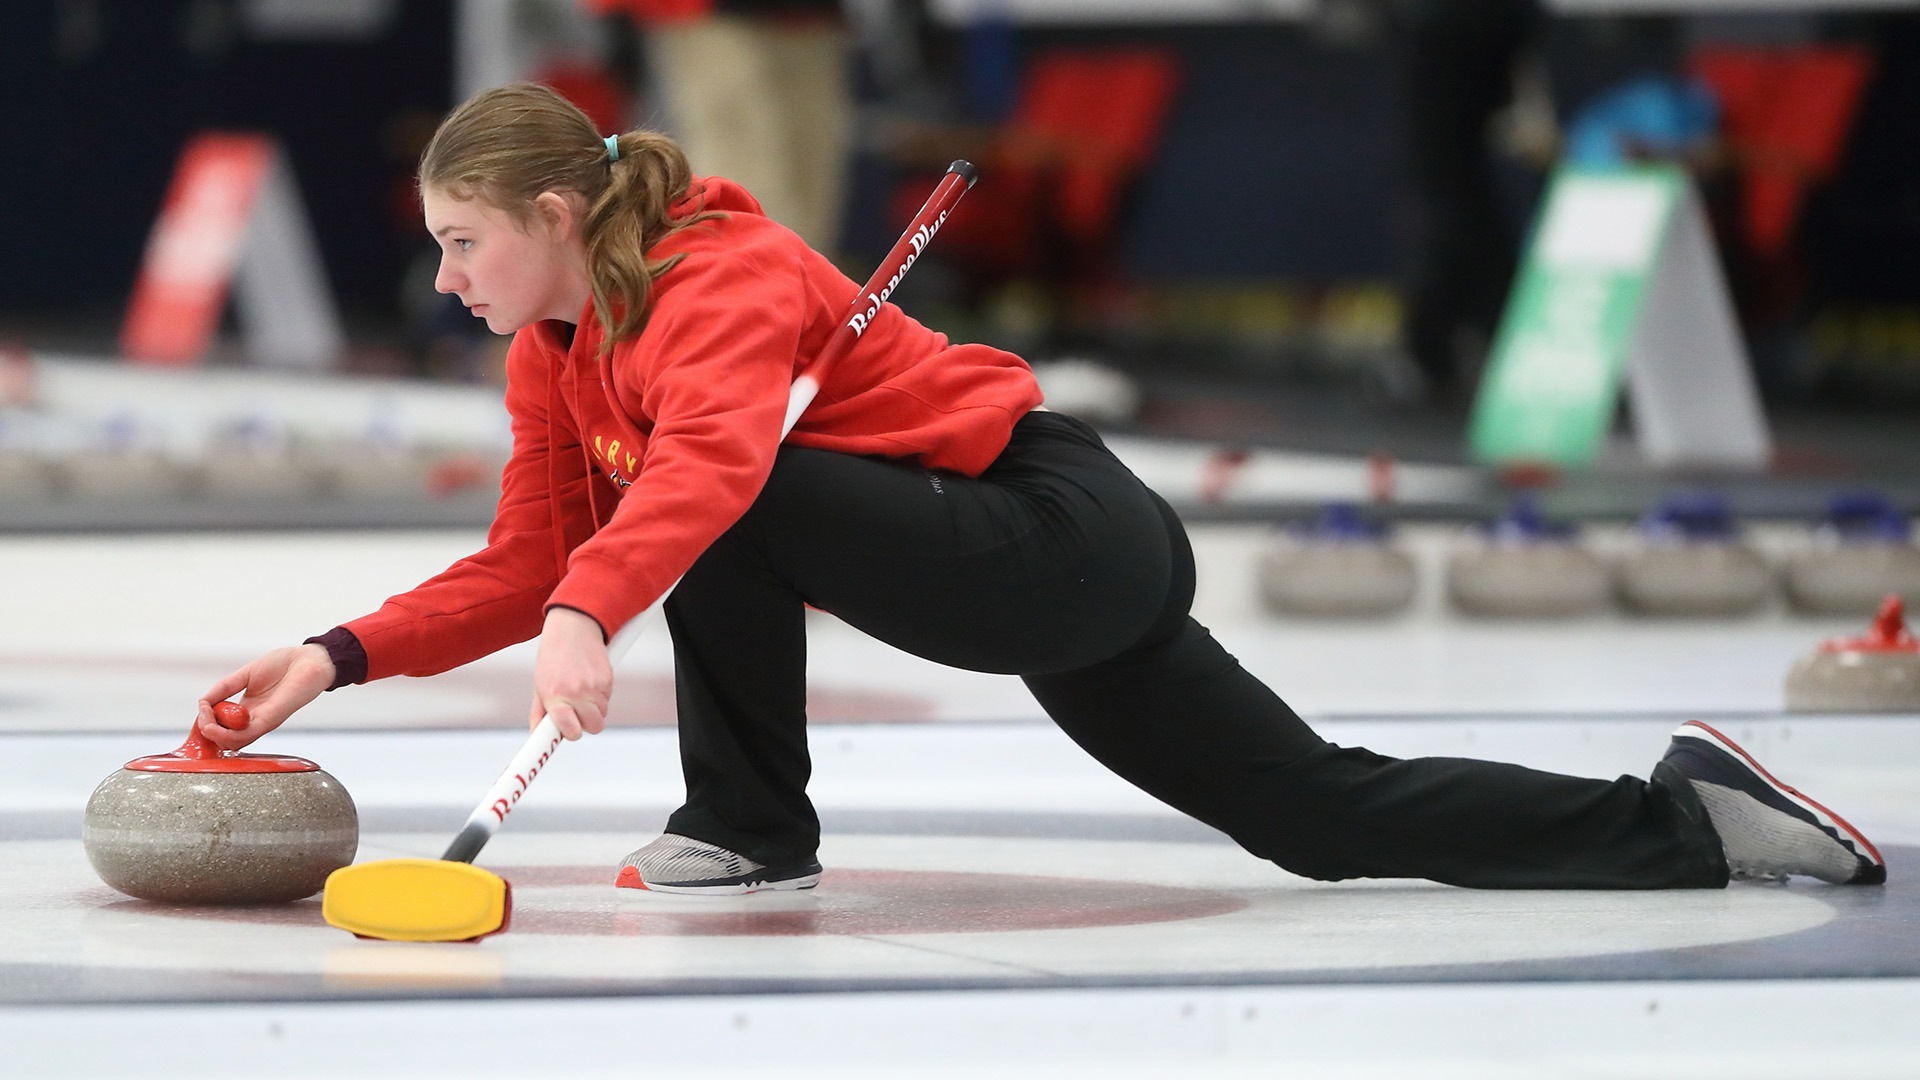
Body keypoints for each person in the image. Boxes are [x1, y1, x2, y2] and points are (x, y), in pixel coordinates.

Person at [196, 82, 1883, 896]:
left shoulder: (720, 271)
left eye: (461, 245)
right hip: (1007, 574)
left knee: (730, 492)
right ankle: (1686, 817)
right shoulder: (553, 357)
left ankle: (746, 823)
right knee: (1311, 815)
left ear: (556, 218)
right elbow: (530, 557)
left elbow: (705, 473)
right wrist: (334, 656)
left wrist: (590, 612)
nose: (447, 280)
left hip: (1052, 525)